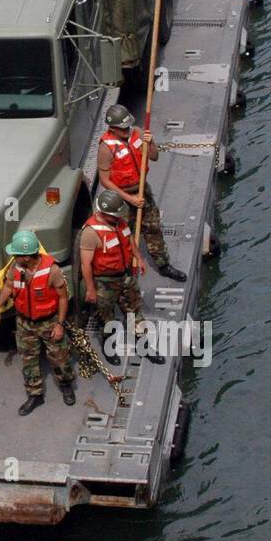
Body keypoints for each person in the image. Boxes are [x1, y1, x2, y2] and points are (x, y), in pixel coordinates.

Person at [0, 229, 75, 417]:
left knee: (60, 358)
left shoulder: (52, 271)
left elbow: (62, 298)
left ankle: (66, 385)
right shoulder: (16, 268)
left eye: (17, 254)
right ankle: (35, 394)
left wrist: (60, 324)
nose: (14, 257)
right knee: (29, 361)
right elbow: (8, 287)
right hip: (25, 323)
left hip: (49, 322)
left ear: (26, 257)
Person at [98, 104, 186, 282]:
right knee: (122, 234)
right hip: (121, 197)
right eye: (123, 129)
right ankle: (124, 269)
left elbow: (154, 156)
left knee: (153, 227)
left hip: (142, 189)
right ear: (112, 129)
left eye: (128, 126)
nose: (127, 130)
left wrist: (151, 142)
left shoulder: (137, 132)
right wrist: (129, 198)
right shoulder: (106, 148)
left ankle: (163, 264)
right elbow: (105, 180)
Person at [79, 188, 161, 365]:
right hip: (104, 282)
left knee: (135, 311)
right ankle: (109, 347)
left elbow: (129, 240)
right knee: (106, 316)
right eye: (114, 215)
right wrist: (91, 289)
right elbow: (86, 264)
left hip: (125, 276)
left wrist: (139, 258)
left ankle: (143, 345)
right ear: (103, 212)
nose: (118, 217)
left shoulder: (120, 222)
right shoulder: (91, 232)